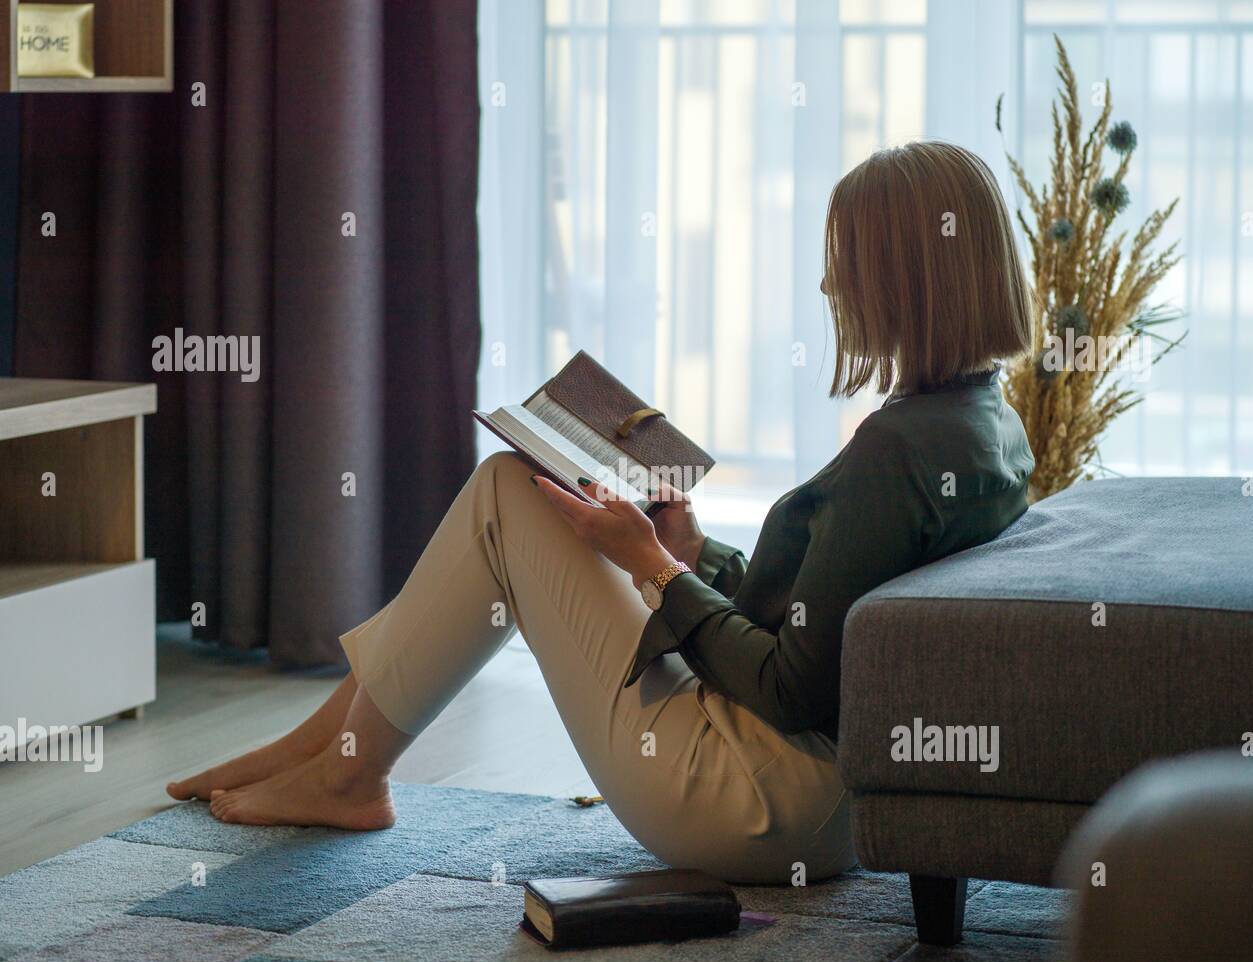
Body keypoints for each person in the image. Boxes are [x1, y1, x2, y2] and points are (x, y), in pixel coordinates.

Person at [167, 141, 1035, 885]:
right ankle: (329, 751)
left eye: (847, 258)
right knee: (510, 499)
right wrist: (693, 554)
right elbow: (831, 617)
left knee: (508, 492)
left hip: (758, 799)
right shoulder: (986, 428)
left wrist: (652, 568)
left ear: (904, 278)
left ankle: (348, 772)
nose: (827, 280)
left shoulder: (896, 454)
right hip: (833, 802)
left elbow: (788, 686)